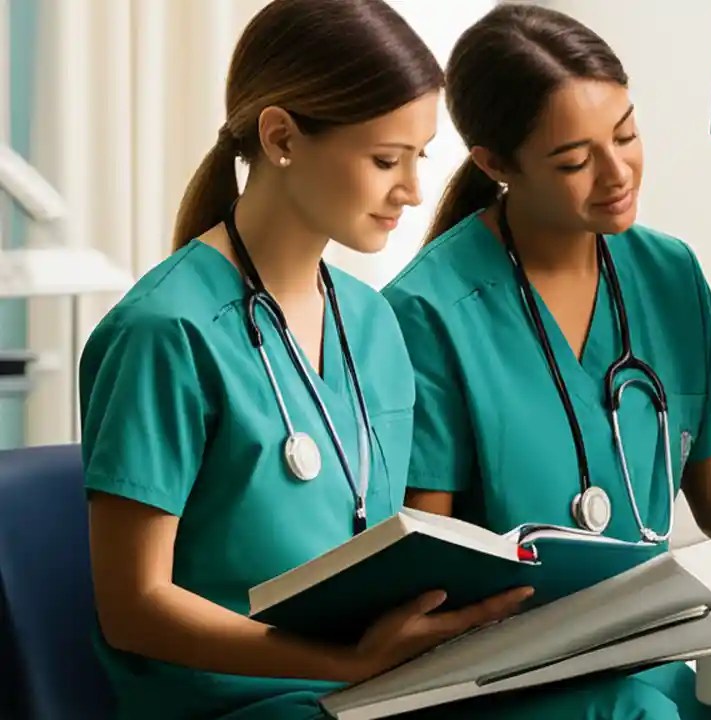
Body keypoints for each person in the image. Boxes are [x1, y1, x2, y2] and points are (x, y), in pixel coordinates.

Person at [78, 2, 532, 719]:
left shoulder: (373, 322)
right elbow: (134, 608)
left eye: (419, 158)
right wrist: (342, 664)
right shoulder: (165, 333)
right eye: (386, 160)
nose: (412, 192)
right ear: (282, 138)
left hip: (373, 690)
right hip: (241, 705)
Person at [382, 5, 711, 718]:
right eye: (574, 160)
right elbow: (423, 570)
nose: (616, 171)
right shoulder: (428, 312)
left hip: (640, 653)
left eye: (626, 134)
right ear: (496, 164)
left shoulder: (667, 274)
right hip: (498, 677)